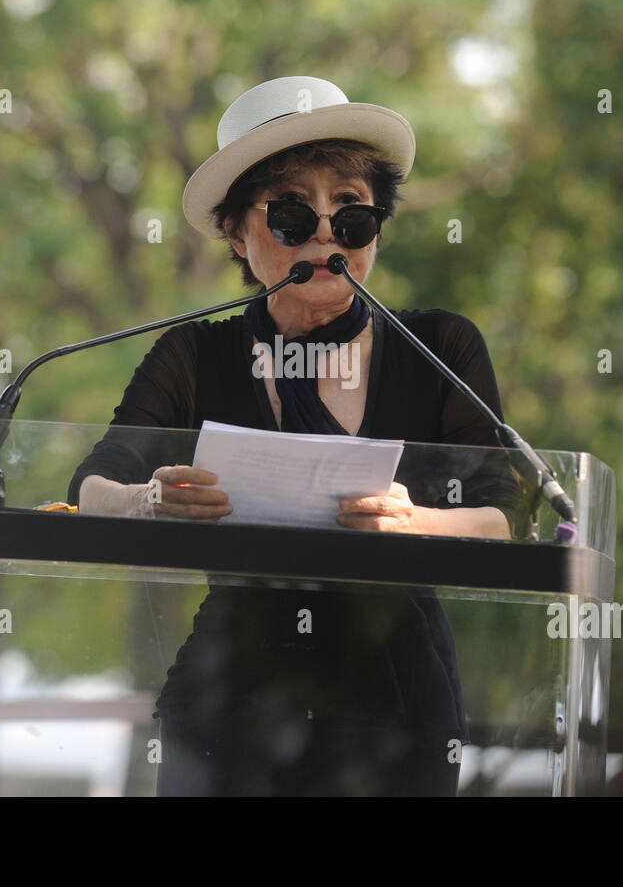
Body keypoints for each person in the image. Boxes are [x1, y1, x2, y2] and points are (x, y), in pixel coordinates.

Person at [68, 76, 523, 795]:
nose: (325, 232)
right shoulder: (193, 355)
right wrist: (147, 499)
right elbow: (89, 486)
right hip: (229, 699)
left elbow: (506, 513)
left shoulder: (439, 347)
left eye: (351, 212)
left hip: (395, 696)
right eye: (291, 212)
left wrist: (417, 521)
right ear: (236, 232)